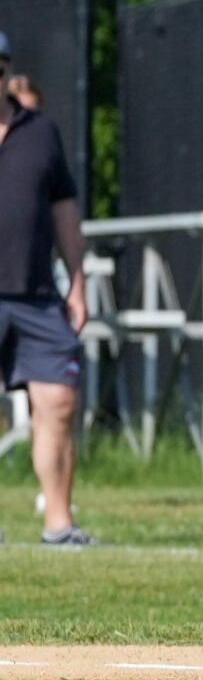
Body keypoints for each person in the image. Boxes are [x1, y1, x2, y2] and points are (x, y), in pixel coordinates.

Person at [0, 44, 91, 547]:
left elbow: (65, 209)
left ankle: (59, 525)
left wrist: (76, 280)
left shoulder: (42, 133)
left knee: (58, 400)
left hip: (36, 294)